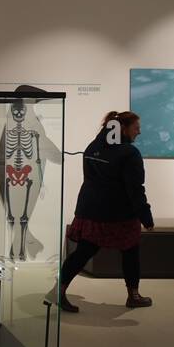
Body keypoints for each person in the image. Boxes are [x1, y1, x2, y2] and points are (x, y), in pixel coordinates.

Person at [59, 110, 155, 312]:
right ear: (124, 128)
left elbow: (91, 181)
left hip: (90, 211)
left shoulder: (92, 147)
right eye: (136, 128)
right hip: (117, 215)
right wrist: (146, 217)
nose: (139, 132)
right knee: (130, 251)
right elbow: (135, 189)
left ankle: (58, 291)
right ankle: (133, 295)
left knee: (83, 253)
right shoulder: (129, 153)